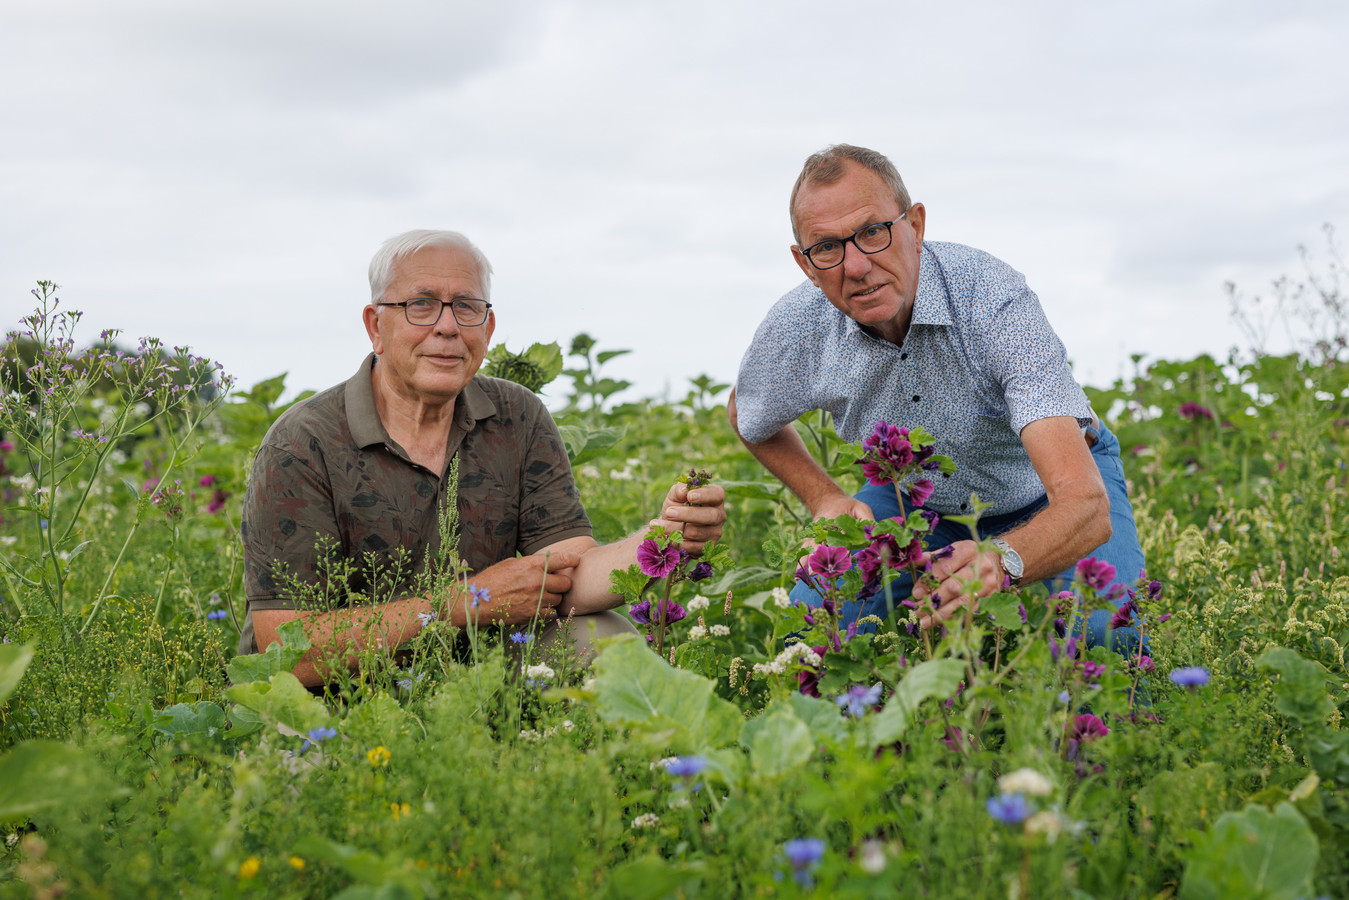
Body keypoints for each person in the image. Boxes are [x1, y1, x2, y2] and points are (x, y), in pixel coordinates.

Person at [239, 229, 726, 687]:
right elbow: (288, 652)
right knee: (299, 754)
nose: (447, 326)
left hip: (479, 665)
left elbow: (569, 575)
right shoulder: (303, 442)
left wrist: (662, 539)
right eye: (421, 305)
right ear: (375, 326)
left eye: (466, 307)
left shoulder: (517, 414)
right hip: (343, 689)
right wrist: (466, 601)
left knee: (602, 638)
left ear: (487, 328)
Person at [728, 144, 1144, 646]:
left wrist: (999, 561)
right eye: (827, 248)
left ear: (916, 226)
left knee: (1102, 638)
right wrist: (825, 498)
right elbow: (746, 413)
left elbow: (1084, 503)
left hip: (1041, 493)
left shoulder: (993, 299)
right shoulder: (799, 327)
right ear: (805, 263)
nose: (855, 266)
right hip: (911, 501)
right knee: (817, 623)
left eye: (872, 232)